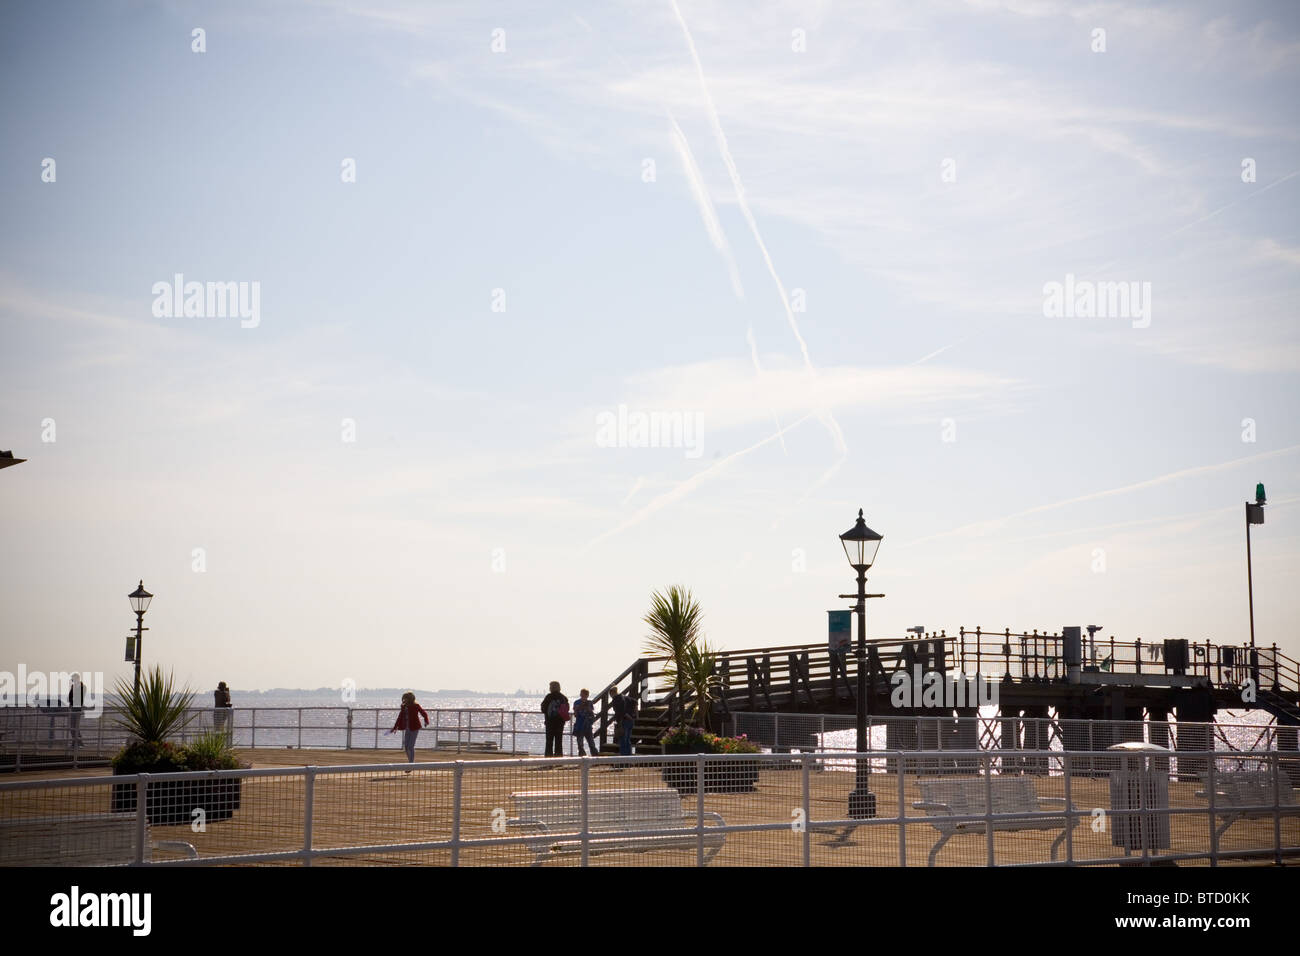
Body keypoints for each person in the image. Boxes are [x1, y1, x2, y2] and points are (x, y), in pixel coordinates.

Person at [389, 692, 429, 769]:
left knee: (410, 746)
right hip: (407, 728)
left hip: (415, 727)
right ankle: (410, 762)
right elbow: (400, 717)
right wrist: (395, 727)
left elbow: (424, 713)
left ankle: (411, 764)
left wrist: (426, 721)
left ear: (410, 699)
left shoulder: (416, 706)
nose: (404, 700)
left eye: (406, 698)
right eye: (404, 698)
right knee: (406, 747)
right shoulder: (404, 707)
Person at [540, 681, 569, 757]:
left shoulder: (548, 697)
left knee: (549, 741)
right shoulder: (563, 697)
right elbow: (567, 709)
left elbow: (543, 708)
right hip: (560, 723)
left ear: (551, 688)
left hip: (550, 722)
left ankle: (548, 757)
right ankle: (558, 757)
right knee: (559, 741)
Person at [572, 688, 599, 757]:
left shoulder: (589, 703)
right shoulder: (577, 702)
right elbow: (575, 714)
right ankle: (582, 757)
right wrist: (579, 708)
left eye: (585, 694)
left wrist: (588, 709)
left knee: (591, 743)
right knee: (580, 744)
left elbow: (592, 713)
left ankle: (595, 756)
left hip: (587, 725)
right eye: (582, 694)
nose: (583, 696)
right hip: (579, 725)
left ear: (587, 695)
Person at [67, 673, 84, 747]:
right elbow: (69, 697)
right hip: (73, 708)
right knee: (72, 727)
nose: (72, 681)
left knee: (75, 727)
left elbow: (80, 697)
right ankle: (76, 743)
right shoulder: (73, 686)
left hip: (77, 708)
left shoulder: (82, 687)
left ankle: (78, 743)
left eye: (73, 679)